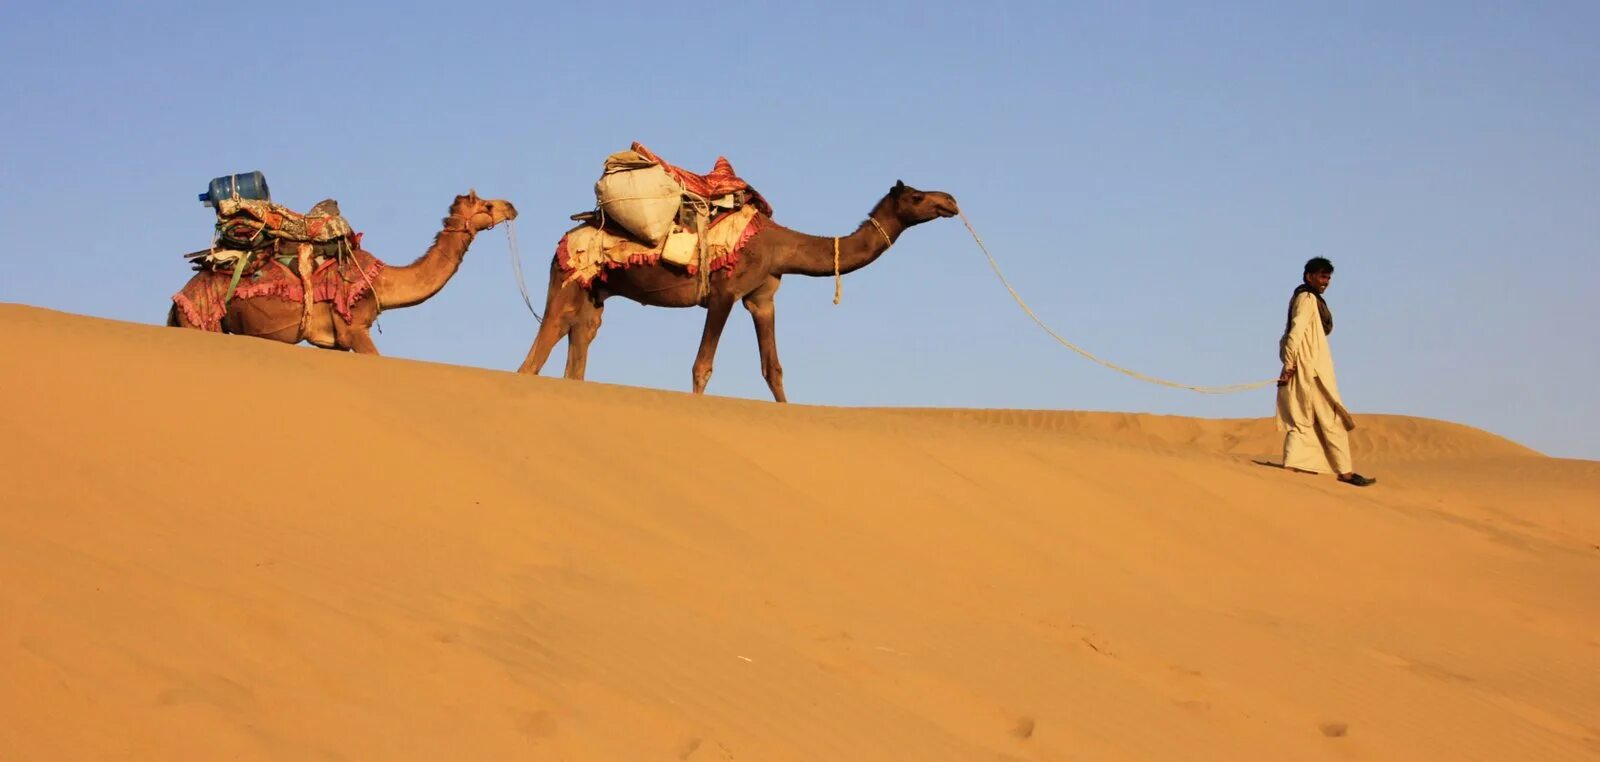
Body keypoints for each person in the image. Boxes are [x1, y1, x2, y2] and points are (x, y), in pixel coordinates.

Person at [1276, 257, 1376, 487]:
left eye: (1328, 277)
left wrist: (1289, 363)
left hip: (1308, 367)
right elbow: (1295, 332)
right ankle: (1345, 472)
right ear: (1309, 276)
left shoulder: (1307, 298)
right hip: (1310, 370)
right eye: (1322, 276)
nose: (1326, 281)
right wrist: (1290, 363)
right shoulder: (1307, 298)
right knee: (1330, 419)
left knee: (1304, 418)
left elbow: (1291, 333)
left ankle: (1296, 464)